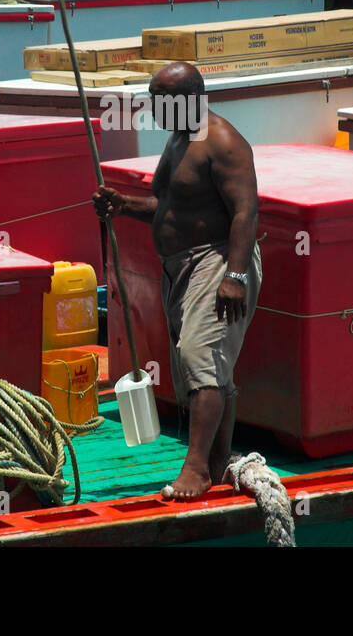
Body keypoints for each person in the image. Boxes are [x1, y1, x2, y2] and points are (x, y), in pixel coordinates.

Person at [93, 63, 261, 501]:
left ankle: (196, 469)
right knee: (206, 366)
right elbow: (170, 206)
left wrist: (236, 276)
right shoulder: (177, 139)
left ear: (189, 98)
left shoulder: (221, 140)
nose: (153, 107)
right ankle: (221, 460)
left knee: (199, 357)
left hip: (218, 262)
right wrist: (124, 204)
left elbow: (246, 211)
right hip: (179, 267)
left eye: (160, 98)